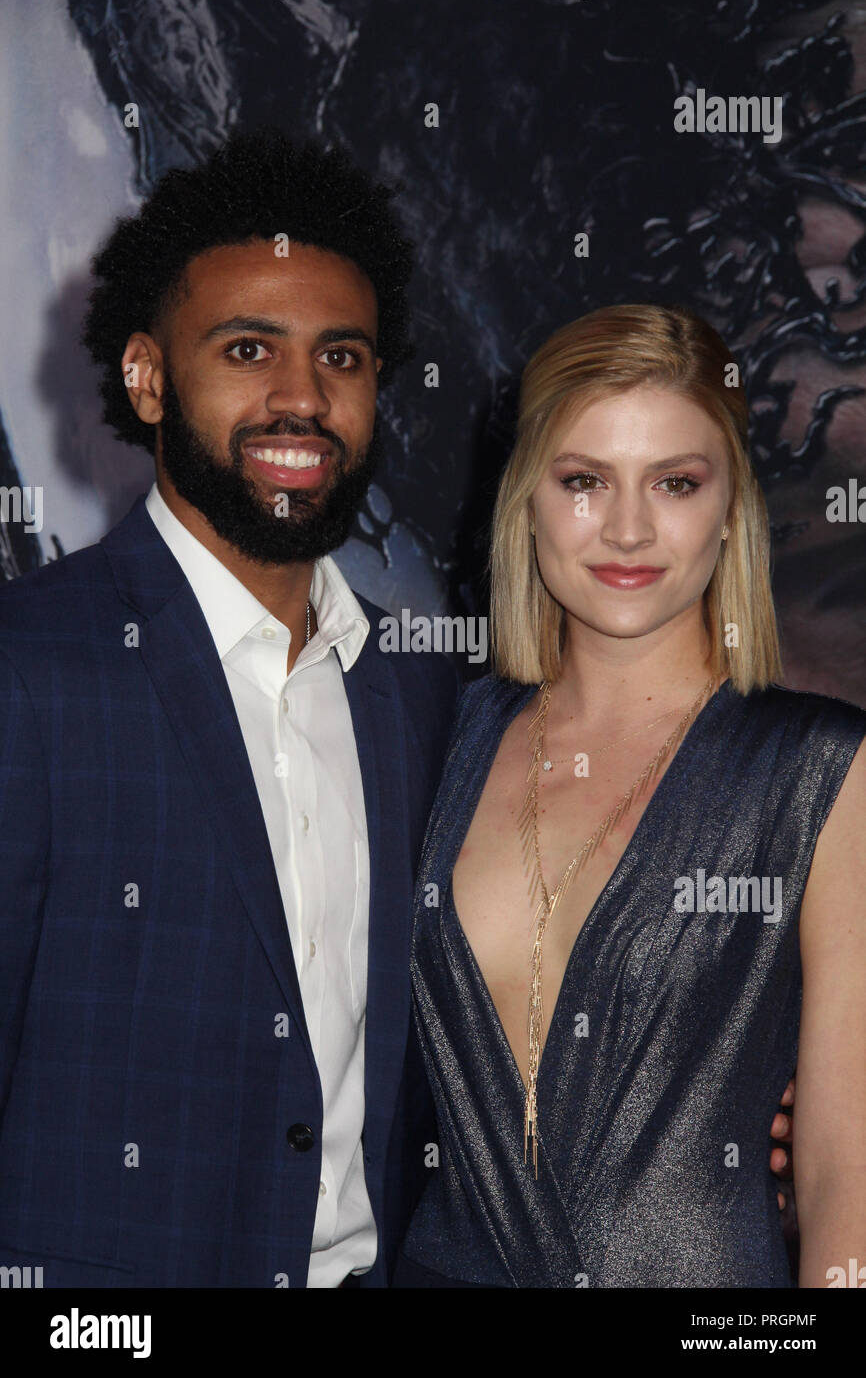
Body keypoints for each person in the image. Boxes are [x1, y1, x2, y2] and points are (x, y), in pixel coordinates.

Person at [0, 129, 457, 1288]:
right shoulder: (28, 665)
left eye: (341, 358)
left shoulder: (414, 698)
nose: (300, 399)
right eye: (249, 349)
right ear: (148, 376)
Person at [395, 303, 866, 1288]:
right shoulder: (431, 739)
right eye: (582, 481)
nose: (625, 528)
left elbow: (840, 1171)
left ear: (731, 502)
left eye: (675, 482)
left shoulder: (822, 770)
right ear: (524, 495)